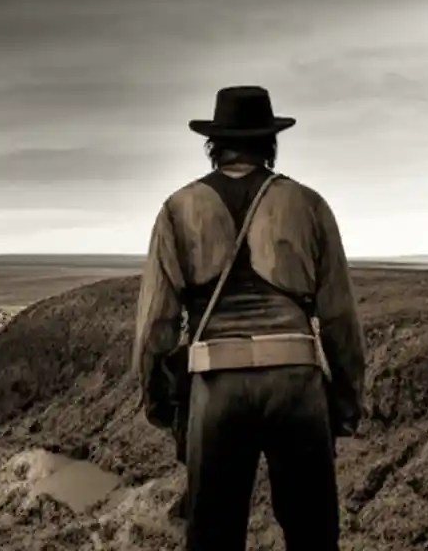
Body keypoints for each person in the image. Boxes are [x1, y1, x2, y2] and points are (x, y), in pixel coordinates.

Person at [132, 85, 367, 551]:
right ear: (270, 142)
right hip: (296, 384)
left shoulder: (177, 210)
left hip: (215, 386)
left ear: (214, 144)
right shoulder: (309, 205)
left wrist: (160, 402)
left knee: (213, 537)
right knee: (314, 535)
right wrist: (344, 403)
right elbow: (340, 319)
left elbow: (155, 325)